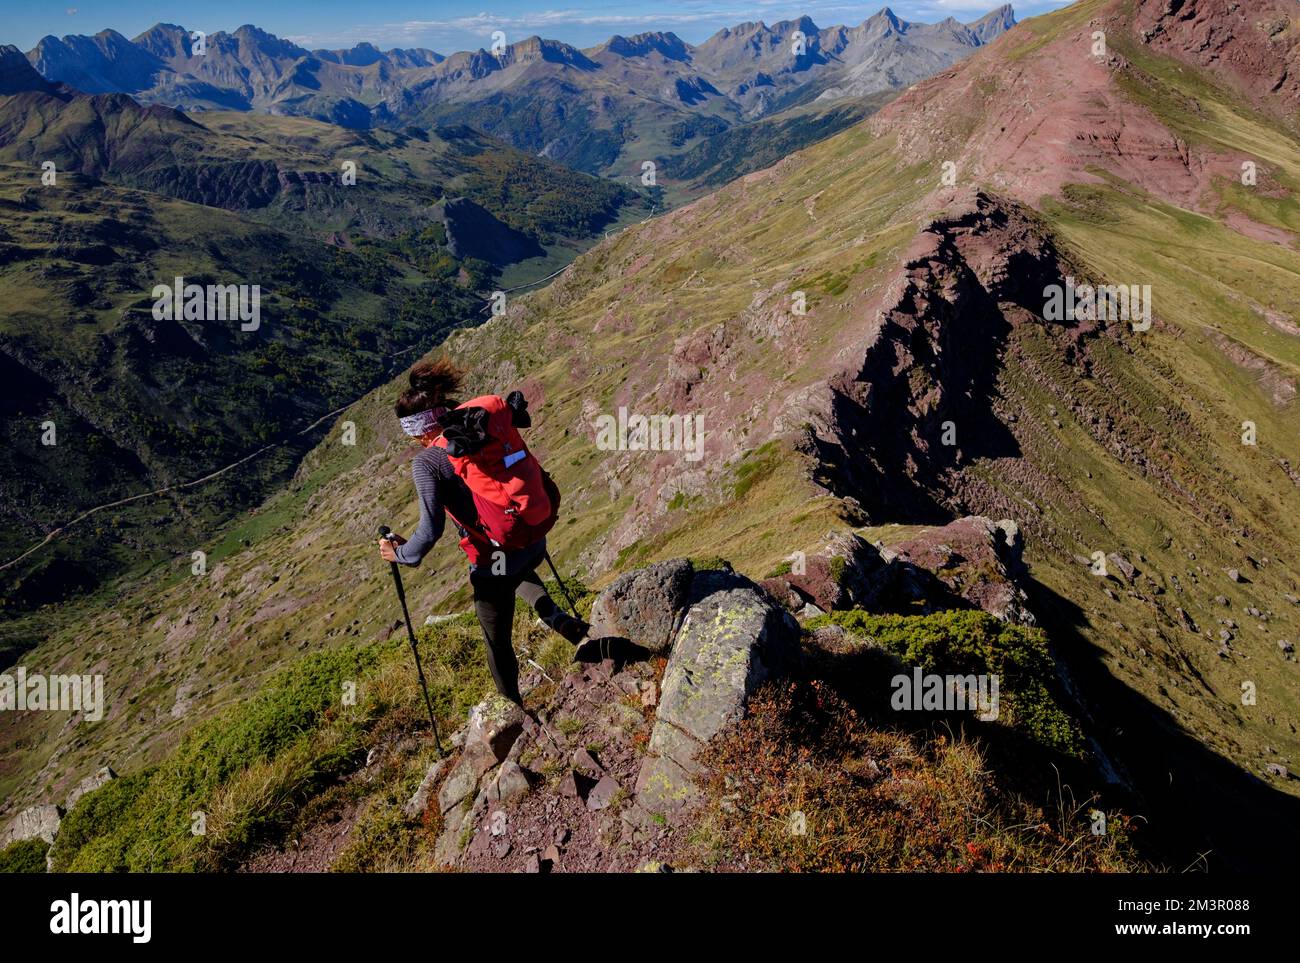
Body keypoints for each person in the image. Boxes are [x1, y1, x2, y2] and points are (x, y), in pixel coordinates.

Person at [378, 357, 590, 706]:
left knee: (497, 639)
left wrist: (399, 553)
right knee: (512, 566)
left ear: (417, 430)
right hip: (532, 539)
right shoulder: (479, 430)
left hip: (496, 558)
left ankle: (512, 711)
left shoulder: (427, 462)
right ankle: (556, 617)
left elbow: (428, 535)